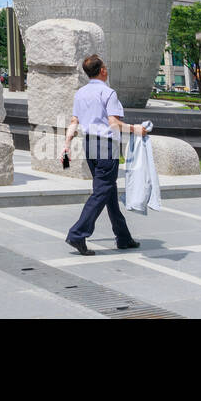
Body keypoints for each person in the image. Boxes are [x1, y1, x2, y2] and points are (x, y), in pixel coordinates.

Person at [61, 54, 148, 256]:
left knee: (107, 191)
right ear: (102, 71)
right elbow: (114, 124)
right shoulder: (108, 93)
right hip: (105, 146)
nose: (107, 69)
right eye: (105, 67)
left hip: (89, 144)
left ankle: (123, 237)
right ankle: (77, 233)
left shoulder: (80, 93)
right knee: (102, 191)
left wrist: (66, 146)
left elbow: (74, 121)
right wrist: (137, 129)